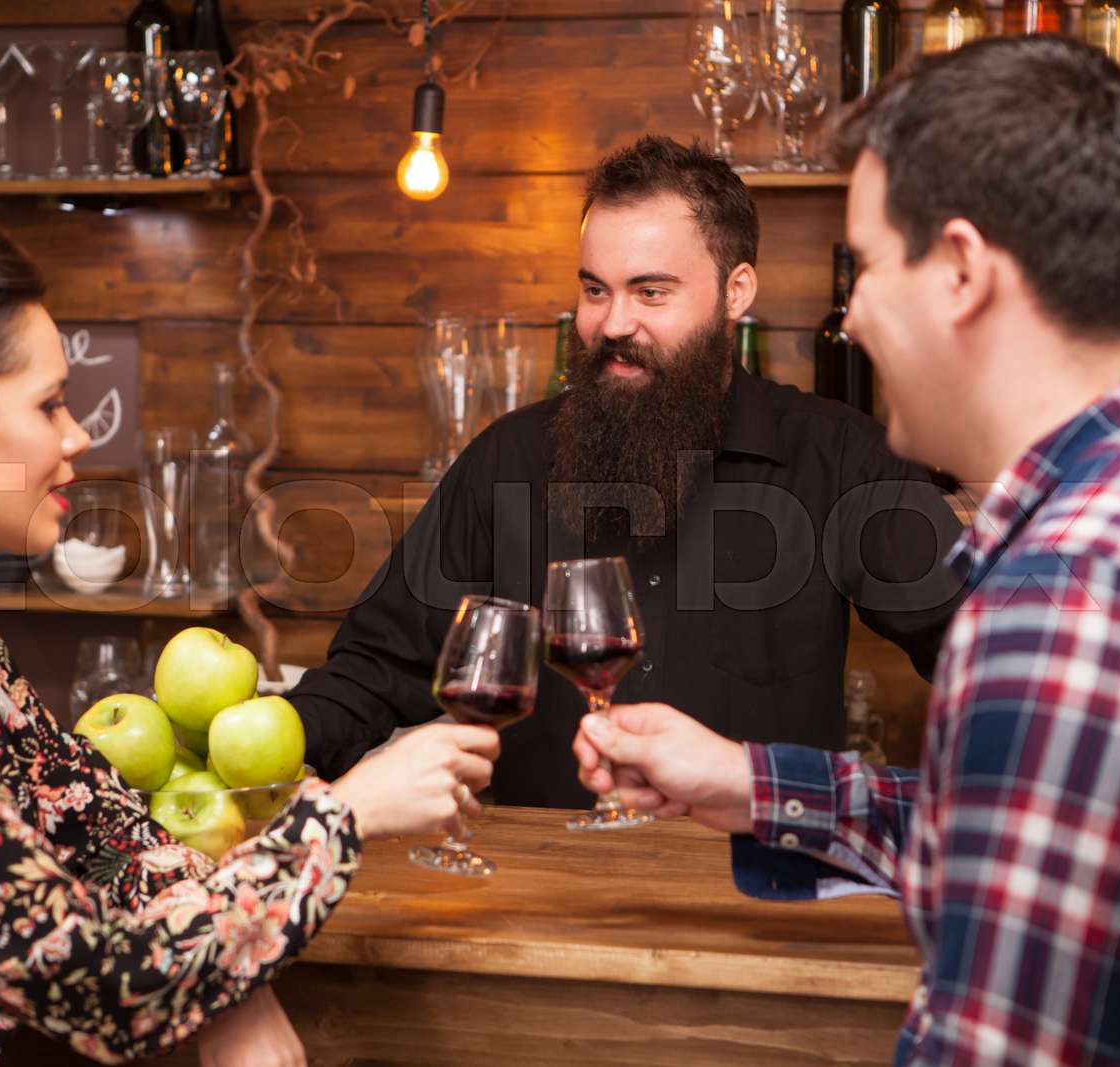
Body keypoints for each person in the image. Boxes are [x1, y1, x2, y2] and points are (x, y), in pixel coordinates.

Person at [572, 35, 1120, 1067]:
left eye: (870, 268)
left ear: (962, 270)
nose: (855, 315)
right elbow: (1042, 829)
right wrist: (750, 779)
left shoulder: (1075, 600)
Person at [0, 211, 499, 1067]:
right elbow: (83, 975)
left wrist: (235, 988)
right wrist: (349, 810)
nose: (78, 435)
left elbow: (105, 839)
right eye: (48, 403)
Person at [288, 135, 962, 808]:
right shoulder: (509, 460)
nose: (613, 322)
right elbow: (375, 668)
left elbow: (977, 651)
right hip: (535, 894)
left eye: (651, 292)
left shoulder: (838, 458)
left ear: (736, 292)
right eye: (594, 289)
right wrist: (255, 748)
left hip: (755, 887)